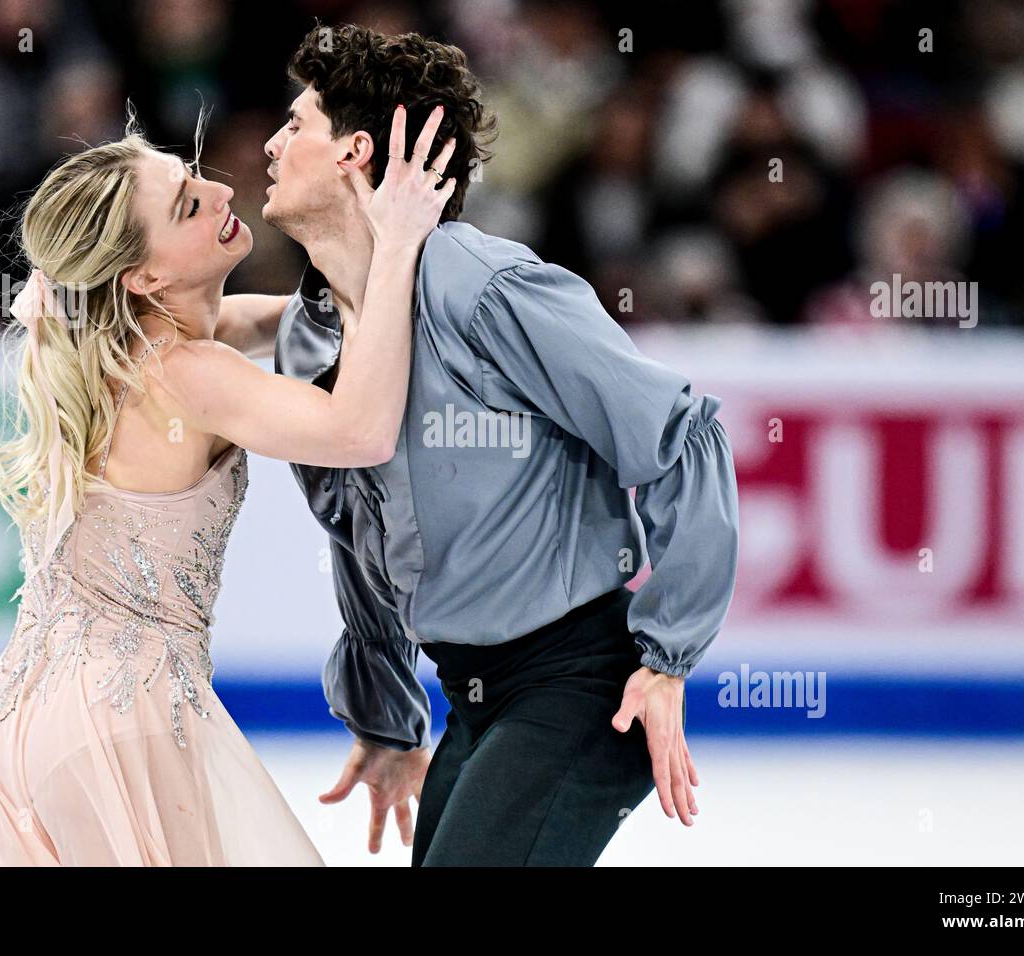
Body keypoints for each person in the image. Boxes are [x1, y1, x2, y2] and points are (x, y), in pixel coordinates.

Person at [0, 103, 456, 866]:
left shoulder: (127, 344)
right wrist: (403, 238)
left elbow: (286, 321)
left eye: (194, 177)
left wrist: (352, 255)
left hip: (28, 719)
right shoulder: (188, 375)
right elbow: (362, 430)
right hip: (119, 726)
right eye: (186, 204)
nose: (219, 193)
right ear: (143, 275)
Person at [265, 24, 740, 866]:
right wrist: (384, 716)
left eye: (296, 123)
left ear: (355, 151)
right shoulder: (312, 337)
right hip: (473, 699)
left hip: (581, 688)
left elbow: (680, 435)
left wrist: (668, 659)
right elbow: (362, 542)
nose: (270, 143)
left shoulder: (478, 287)